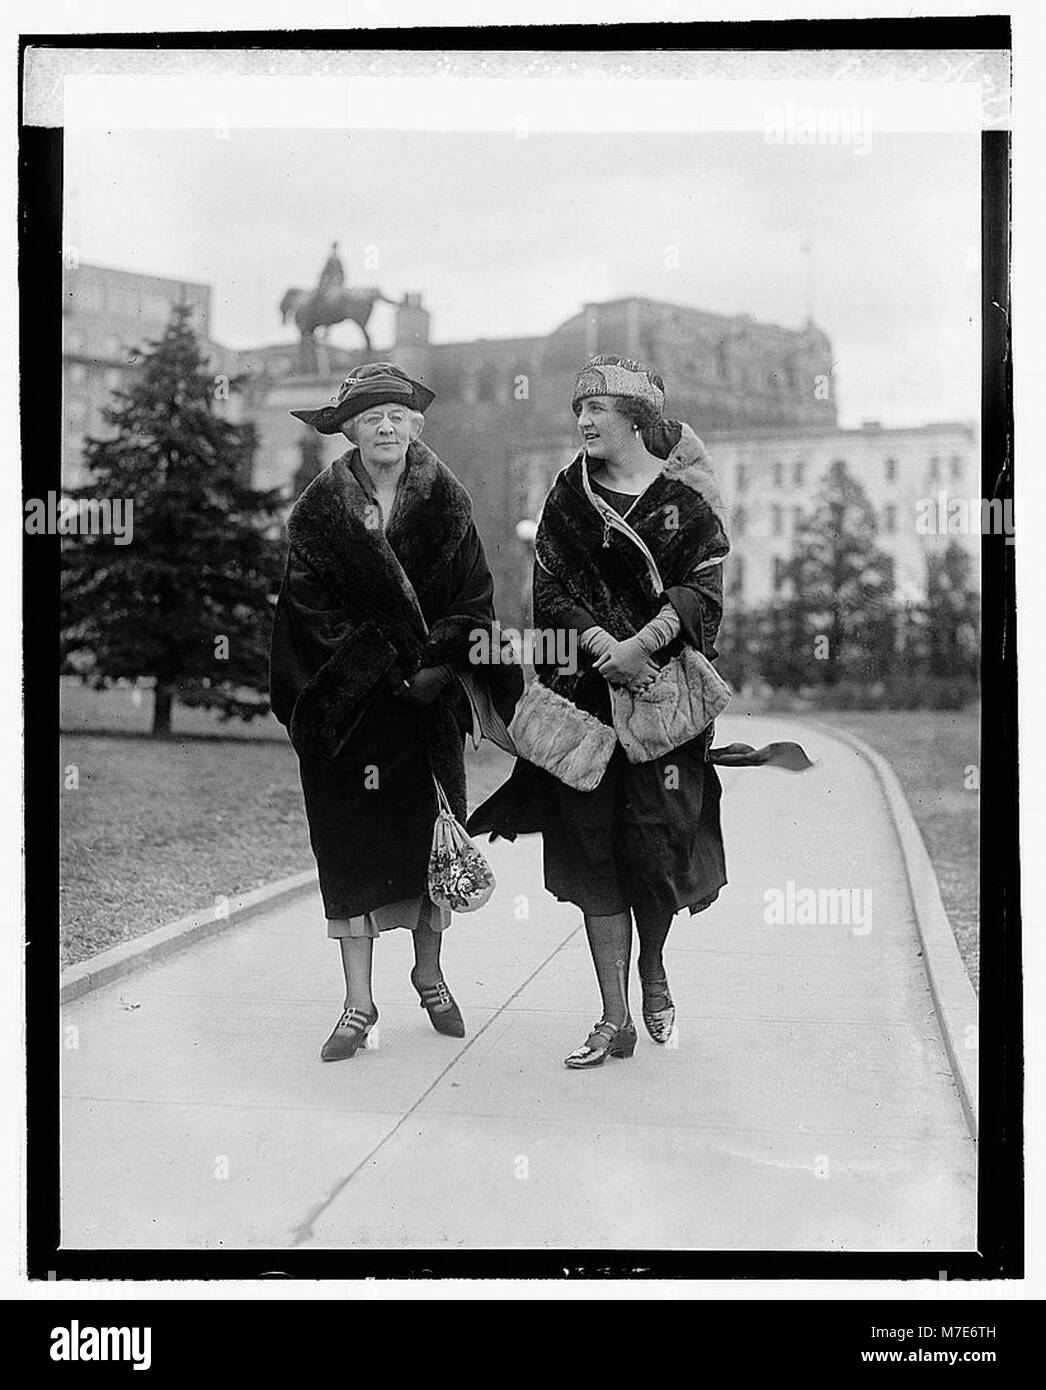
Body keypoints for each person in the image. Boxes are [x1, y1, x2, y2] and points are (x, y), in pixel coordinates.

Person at [469, 354, 732, 1069]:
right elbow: (547, 589)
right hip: (586, 708)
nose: (584, 420)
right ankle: (614, 1017)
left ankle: (653, 967)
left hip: (662, 705)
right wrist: (600, 646)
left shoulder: (686, 499)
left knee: (655, 853)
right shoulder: (567, 495)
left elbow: (703, 589)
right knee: (593, 857)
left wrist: (641, 646)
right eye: (578, 410)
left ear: (636, 419)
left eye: (598, 410)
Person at [269, 362, 521, 1062]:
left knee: (431, 841)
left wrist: (440, 665)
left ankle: (429, 973)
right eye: (372, 416)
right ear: (348, 429)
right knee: (351, 853)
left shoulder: (449, 505)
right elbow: (306, 617)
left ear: (415, 426)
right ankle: (358, 1004)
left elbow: (475, 598)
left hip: (427, 710)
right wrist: (381, 664)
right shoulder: (319, 515)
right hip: (350, 713)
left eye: (398, 415)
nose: (386, 425)